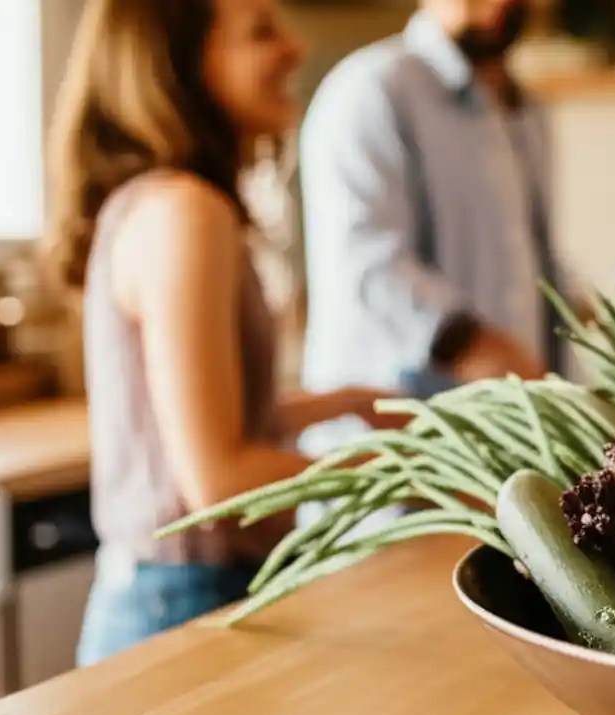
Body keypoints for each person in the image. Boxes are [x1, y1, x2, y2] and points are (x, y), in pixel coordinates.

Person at [46, 0, 403, 666]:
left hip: (179, 594)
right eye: (261, 31)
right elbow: (219, 477)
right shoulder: (185, 212)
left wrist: (349, 402)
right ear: (181, 64)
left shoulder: (165, 202)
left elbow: (212, 419)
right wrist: (406, 470)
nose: (295, 48)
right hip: (182, 602)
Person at [298, 0, 568, 457]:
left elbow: (523, 259)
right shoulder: (372, 90)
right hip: (389, 461)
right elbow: (370, 267)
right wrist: (487, 352)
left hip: (499, 450)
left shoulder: (527, 111)